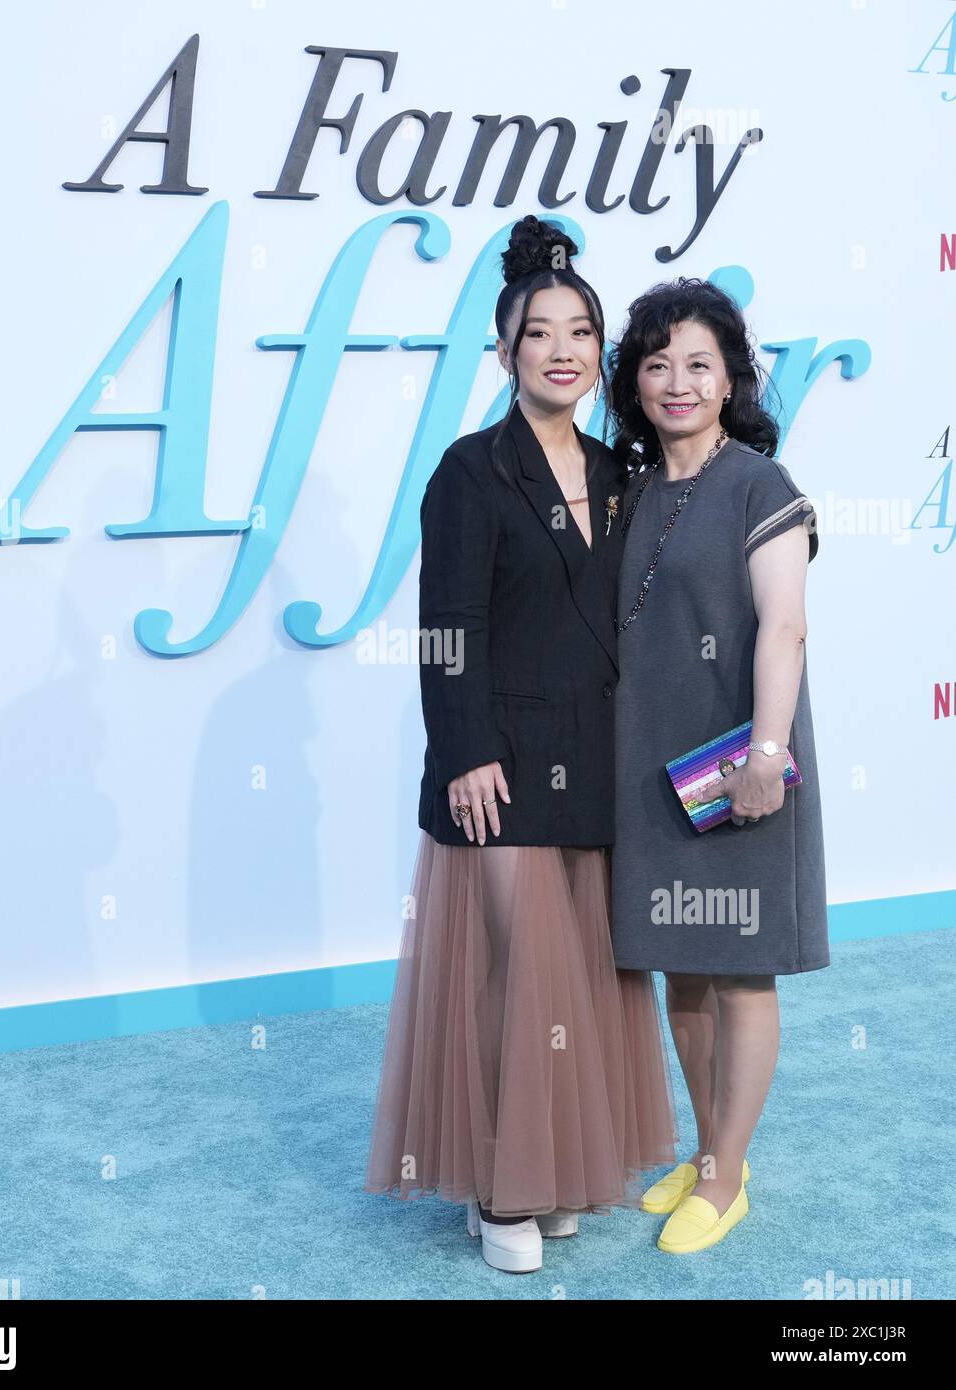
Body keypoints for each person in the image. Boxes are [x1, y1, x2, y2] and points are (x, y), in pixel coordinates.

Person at [363, 215, 677, 1274]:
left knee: (579, 982)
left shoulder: (618, 469)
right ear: (502, 354)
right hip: (496, 768)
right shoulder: (469, 471)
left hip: (594, 765)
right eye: (537, 332)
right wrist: (464, 755)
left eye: (579, 331)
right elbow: (448, 626)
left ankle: (551, 1174)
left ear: (600, 352)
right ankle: (498, 1187)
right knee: (511, 981)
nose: (560, 349)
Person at [607, 277, 829, 1255]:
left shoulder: (759, 486)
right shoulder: (633, 487)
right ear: (635, 382)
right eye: (655, 363)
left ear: (729, 375)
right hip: (650, 773)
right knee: (681, 973)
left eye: (696, 362)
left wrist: (765, 754)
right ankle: (704, 1156)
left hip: (737, 764)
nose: (675, 381)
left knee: (739, 972)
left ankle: (727, 1174)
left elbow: (782, 625)